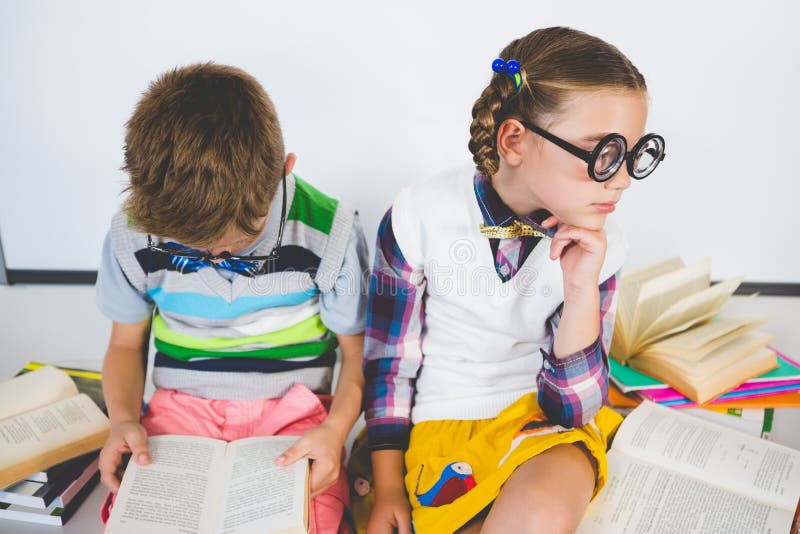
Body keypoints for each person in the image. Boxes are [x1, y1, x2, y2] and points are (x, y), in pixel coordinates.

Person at [362, 26, 666, 533]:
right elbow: (390, 364)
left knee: (546, 500)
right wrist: (388, 486)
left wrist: (580, 287)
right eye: (603, 153)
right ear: (515, 140)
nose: (623, 178)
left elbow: (574, 408)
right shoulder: (420, 215)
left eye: (634, 153)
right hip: (444, 425)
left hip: (544, 427)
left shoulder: (604, 245)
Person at [95, 62, 369, 534]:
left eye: (238, 242)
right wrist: (121, 420)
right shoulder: (136, 231)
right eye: (190, 246)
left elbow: (358, 358)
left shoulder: (331, 233)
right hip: (178, 413)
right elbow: (124, 346)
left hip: (295, 415)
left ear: (285, 172)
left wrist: (335, 431)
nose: (215, 257)